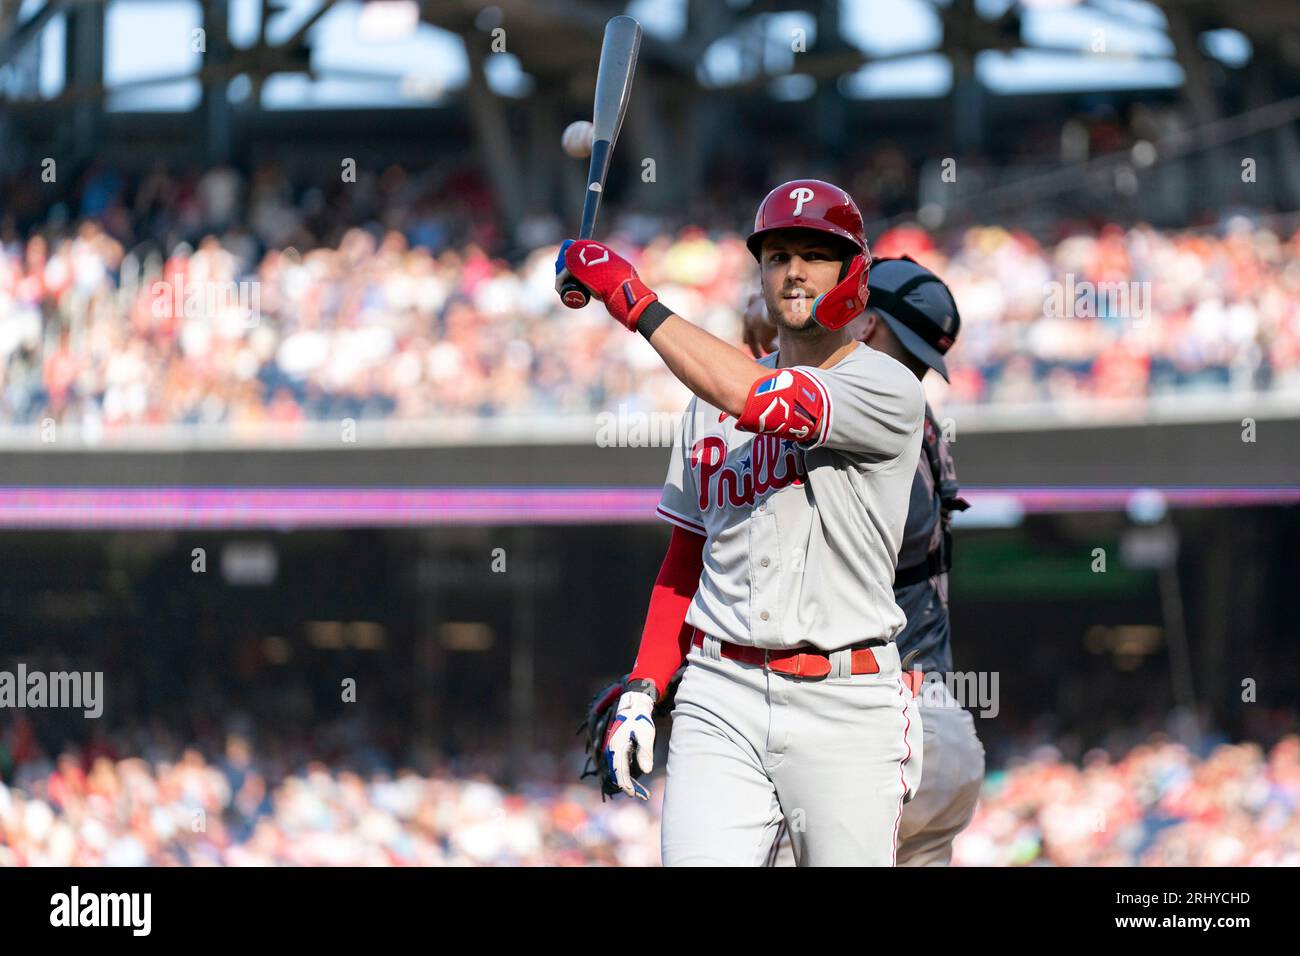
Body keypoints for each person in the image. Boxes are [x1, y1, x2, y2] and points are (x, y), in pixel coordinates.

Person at [556, 180, 925, 865]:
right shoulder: (710, 399)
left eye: (817, 253)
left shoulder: (887, 387)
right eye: (778, 253)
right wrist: (645, 683)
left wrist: (630, 298)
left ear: (854, 272)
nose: (795, 269)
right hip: (719, 692)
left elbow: (758, 399)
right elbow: (686, 558)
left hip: (845, 699)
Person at [746, 255, 986, 866]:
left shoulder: (856, 426)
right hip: (944, 739)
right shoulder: (914, 418)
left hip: (878, 732)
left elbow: (753, 396)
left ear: (868, 326)